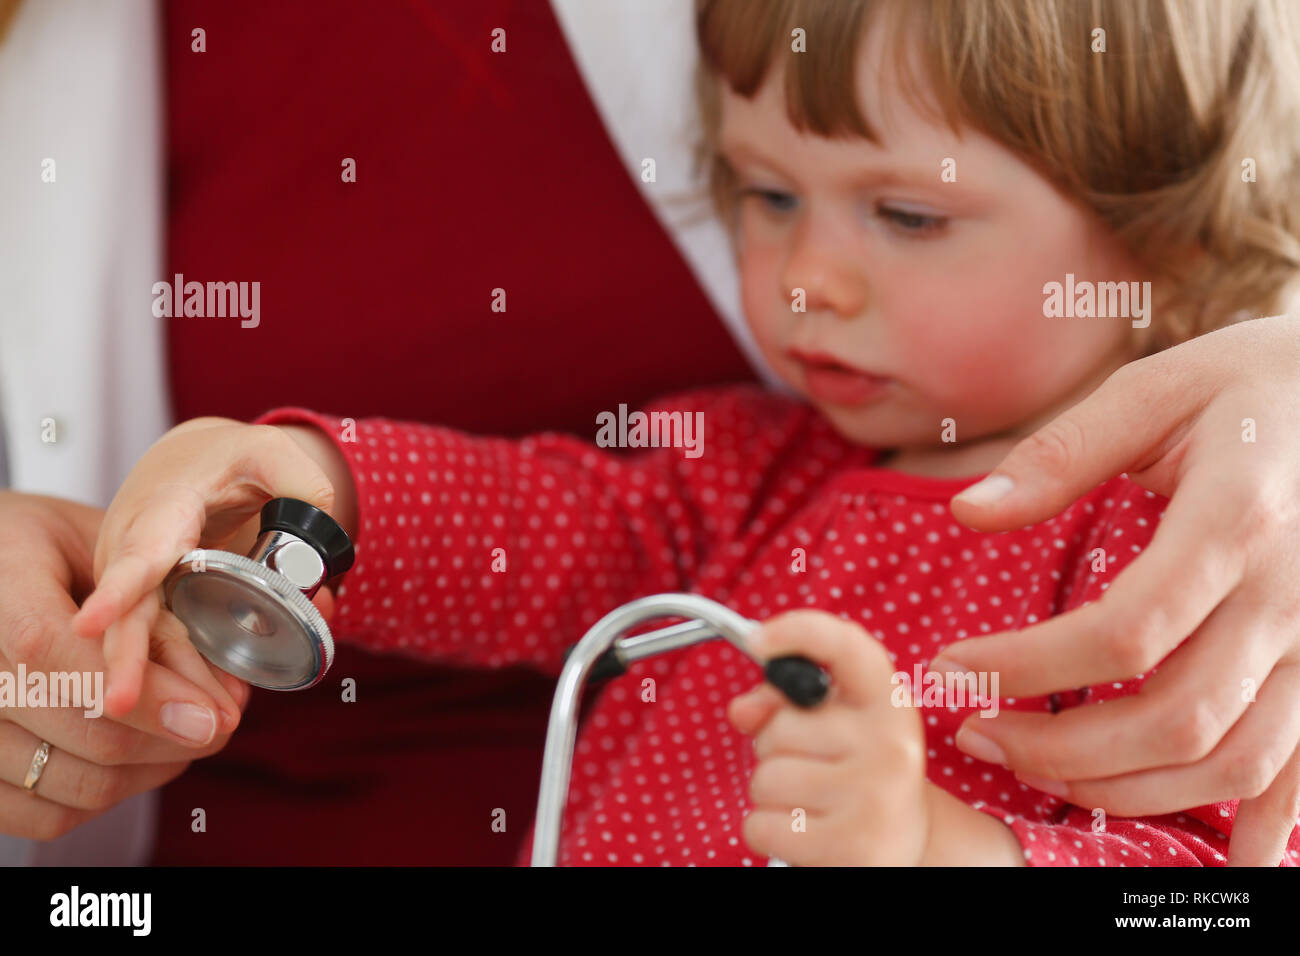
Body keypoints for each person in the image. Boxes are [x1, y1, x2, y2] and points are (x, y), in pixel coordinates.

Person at [72, 0, 1300, 864]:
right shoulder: (752, 469)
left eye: (909, 215)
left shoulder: (1173, 542)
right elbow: (532, 527)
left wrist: (934, 847)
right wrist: (301, 474)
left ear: (1164, 234)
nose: (807, 276)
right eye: (766, 194)